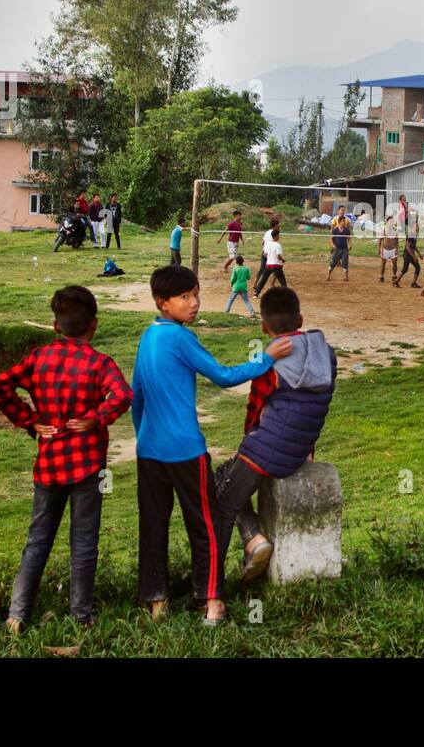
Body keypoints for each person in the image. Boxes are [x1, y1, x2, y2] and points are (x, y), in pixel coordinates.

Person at [131, 265, 292, 626]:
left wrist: (144, 437)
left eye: (196, 294)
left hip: (149, 453)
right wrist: (266, 359)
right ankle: (213, 602)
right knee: (204, 525)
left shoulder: (147, 336)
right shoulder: (179, 338)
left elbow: (136, 397)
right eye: (185, 297)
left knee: (153, 526)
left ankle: (156, 600)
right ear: (163, 302)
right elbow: (222, 376)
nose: (195, 303)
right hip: (186, 452)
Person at [0, 286, 133, 632]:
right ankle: (80, 615)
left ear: (55, 325)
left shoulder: (39, 358)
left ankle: (17, 614)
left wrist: (30, 421)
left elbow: (0, 386)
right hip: (87, 466)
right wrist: (95, 417)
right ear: (94, 326)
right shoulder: (100, 364)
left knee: (37, 539)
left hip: (49, 464)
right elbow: (123, 394)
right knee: (84, 541)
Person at [214, 287, 336, 586]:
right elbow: (317, 406)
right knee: (230, 475)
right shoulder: (326, 354)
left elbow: (255, 408)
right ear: (301, 318)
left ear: (264, 327)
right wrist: (307, 448)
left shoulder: (270, 363)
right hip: (298, 450)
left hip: (264, 449)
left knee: (221, 494)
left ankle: (251, 543)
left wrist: (247, 445)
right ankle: (255, 544)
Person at [255, 228, 286, 294]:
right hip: (276, 266)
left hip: (268, 265)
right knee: (283, 281)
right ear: (276, 236)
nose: (279, 237)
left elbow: (264, 254)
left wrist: (269, 258)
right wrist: (283, 260)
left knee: (263, 280)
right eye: (279, 235)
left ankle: (256, 293)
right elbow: (278, 256)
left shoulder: (268, 244)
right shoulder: (278, 245)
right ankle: (287, 294)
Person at [326, 215, 352, 282]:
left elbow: (349, 239)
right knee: (333, 263)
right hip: (336, 249)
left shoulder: (347, 230)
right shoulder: (335, 230)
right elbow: (331, 239)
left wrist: (350, 245)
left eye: (345, 221)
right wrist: (332, 245)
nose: (345, 222)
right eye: (343, 221)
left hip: (344, 249)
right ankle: (328, 276)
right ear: (340, 222)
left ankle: (346, 277)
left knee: (345, 263)